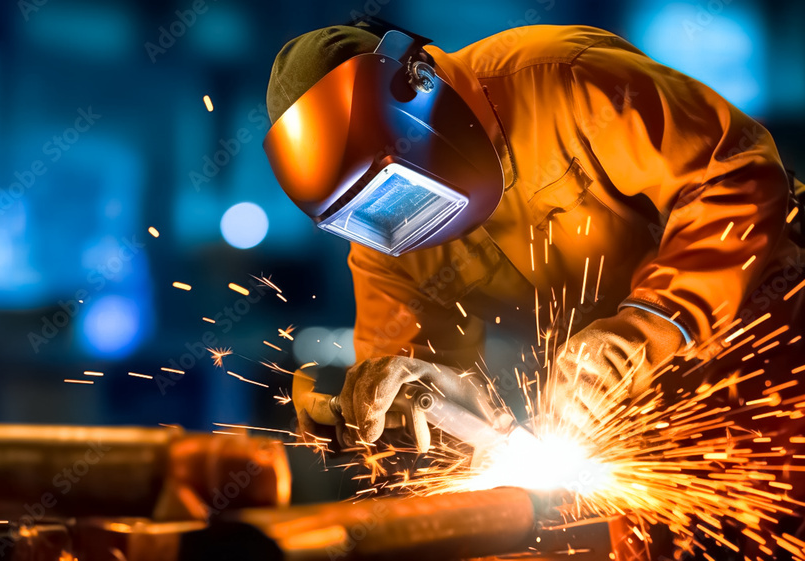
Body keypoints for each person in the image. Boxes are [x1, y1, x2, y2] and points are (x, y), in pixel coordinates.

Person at [263, 21, 805, 557]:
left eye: (402, 190)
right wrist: (438, 412)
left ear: (420, 89)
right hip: (641, 432)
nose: (405, 221)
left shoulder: (565, 78)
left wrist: (647, 327)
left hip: (773, 342)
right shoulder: (384, 239)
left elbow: (736, 177)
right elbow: (405, 379)